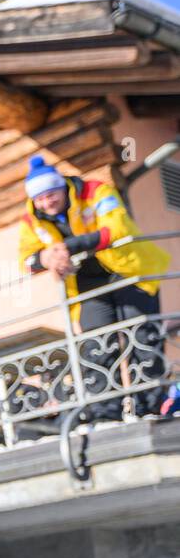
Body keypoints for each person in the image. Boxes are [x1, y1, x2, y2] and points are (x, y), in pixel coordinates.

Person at [18, 155, 171, 421]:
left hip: (129, 272)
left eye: (51, 195)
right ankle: (105, 414)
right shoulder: (32, 218)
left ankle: (151, 407)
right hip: (86, 286)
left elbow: (117, 228)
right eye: (40, 198)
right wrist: (44, 258)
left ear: (62, 187)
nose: (47, 202)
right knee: (98, 347)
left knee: (142, 338)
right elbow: (26, 258)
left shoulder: (95, 191)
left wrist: (69, 247)